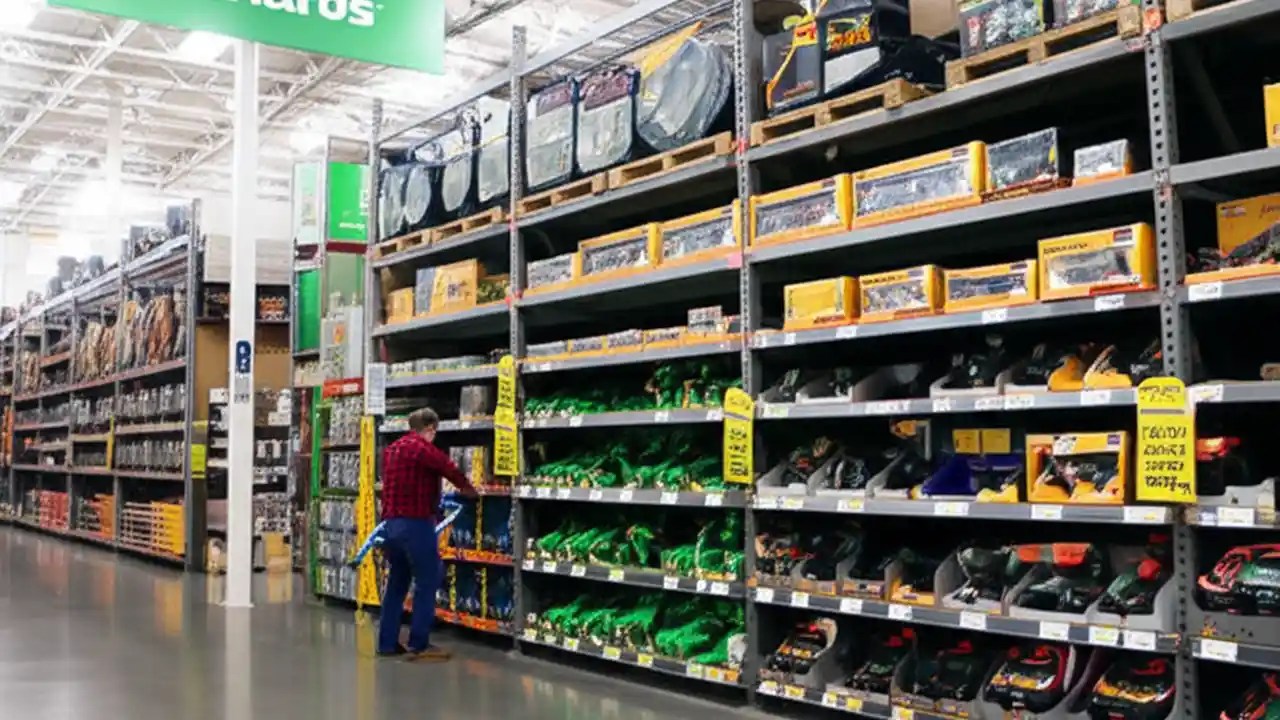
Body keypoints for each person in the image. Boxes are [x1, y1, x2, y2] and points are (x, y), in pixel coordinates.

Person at [377, 407, 478, 662]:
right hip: (416, 524)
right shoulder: (422, 448)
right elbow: (448, 468)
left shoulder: (391, 451)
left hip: (391, 524)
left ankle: (387, 642)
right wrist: (468, 489)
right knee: (428, 579)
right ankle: (419, 643)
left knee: (397, 584)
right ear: (431, 429)